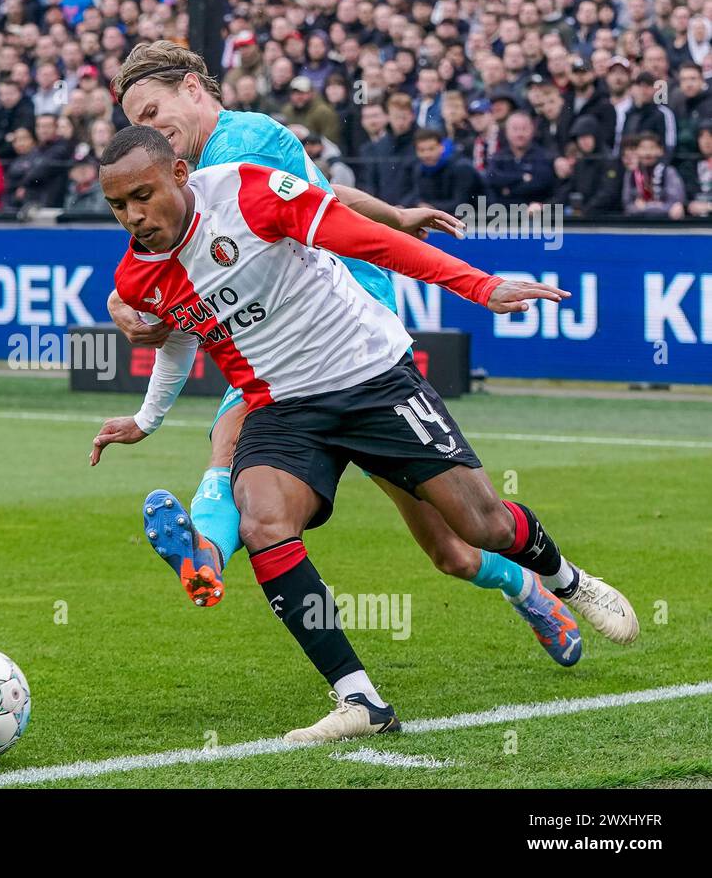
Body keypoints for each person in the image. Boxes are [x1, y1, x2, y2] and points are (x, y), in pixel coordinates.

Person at [90, 125, 638, 743]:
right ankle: (359, 702)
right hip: (282, 405)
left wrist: (480, 285)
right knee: (265, 523)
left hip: (372, 378)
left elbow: (375, 242)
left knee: (478, 528)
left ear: (179, 176)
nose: (133, 216)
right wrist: (145, 420)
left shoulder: (252, 192)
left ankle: (568, 580)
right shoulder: (139, 275)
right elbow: (181, 335)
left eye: (142, 195)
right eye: (118, 205)